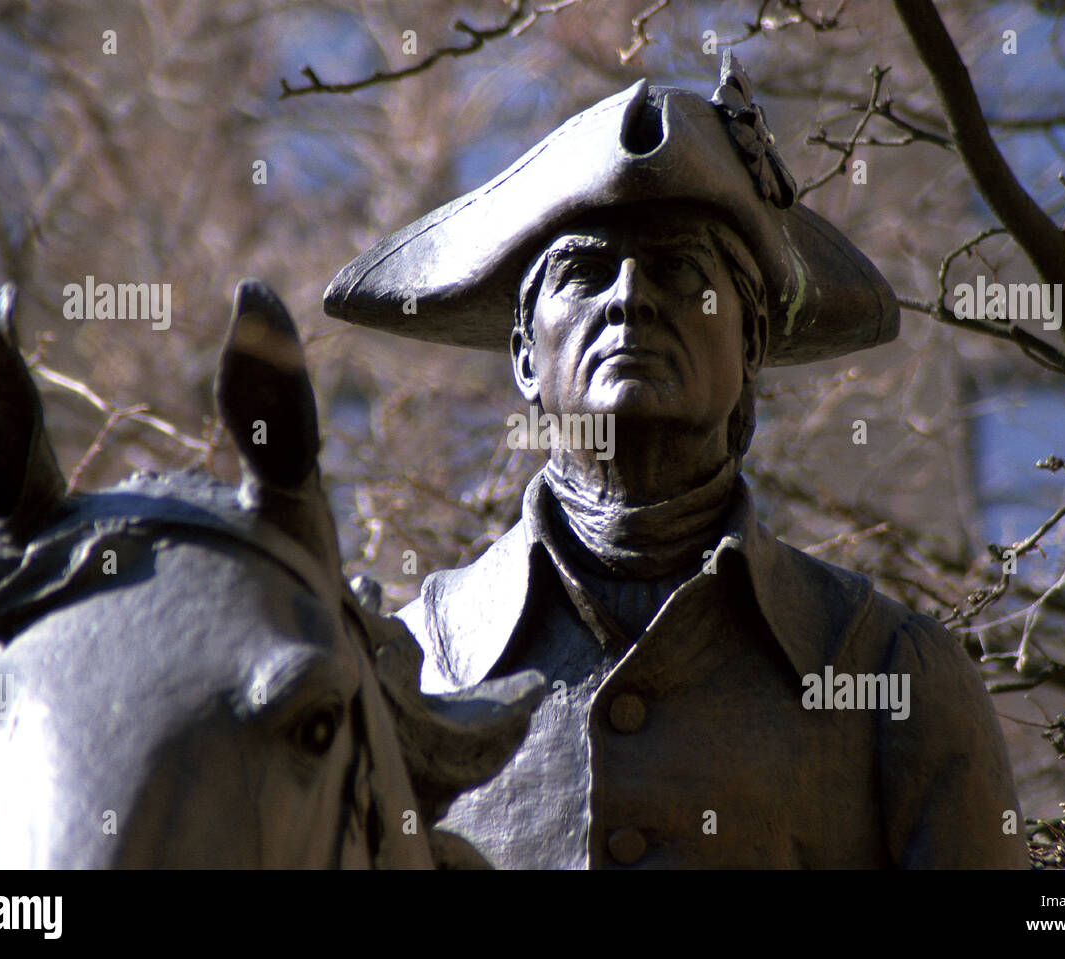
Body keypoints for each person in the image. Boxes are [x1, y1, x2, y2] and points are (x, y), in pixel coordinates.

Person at [323, 55, 1026, 869]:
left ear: (752, 341)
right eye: (583, 271)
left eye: (679, 269)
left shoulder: (893, 673)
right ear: (524, 352)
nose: (627, 297)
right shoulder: (412, 674)